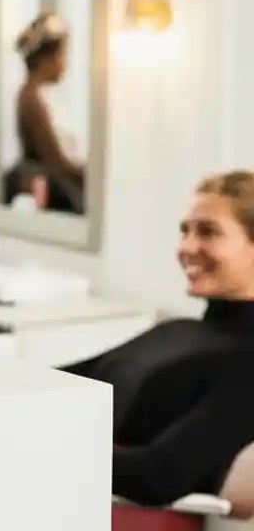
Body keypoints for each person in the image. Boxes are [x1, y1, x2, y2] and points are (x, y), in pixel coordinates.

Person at [62, 171, 254, 505]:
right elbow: (57, 383)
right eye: (185, 231)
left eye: (208, 232)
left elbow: (160, 476)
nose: (186, 247)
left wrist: (45, 445)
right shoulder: (178, 330)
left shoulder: (247, 362)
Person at [5, 12, 85, 214]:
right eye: (63, 55)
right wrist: (87, 174)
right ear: (46, 59)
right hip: (53, 194)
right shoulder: (31, 98)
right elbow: (54, 161)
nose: (65, 64)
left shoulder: (41, 95)